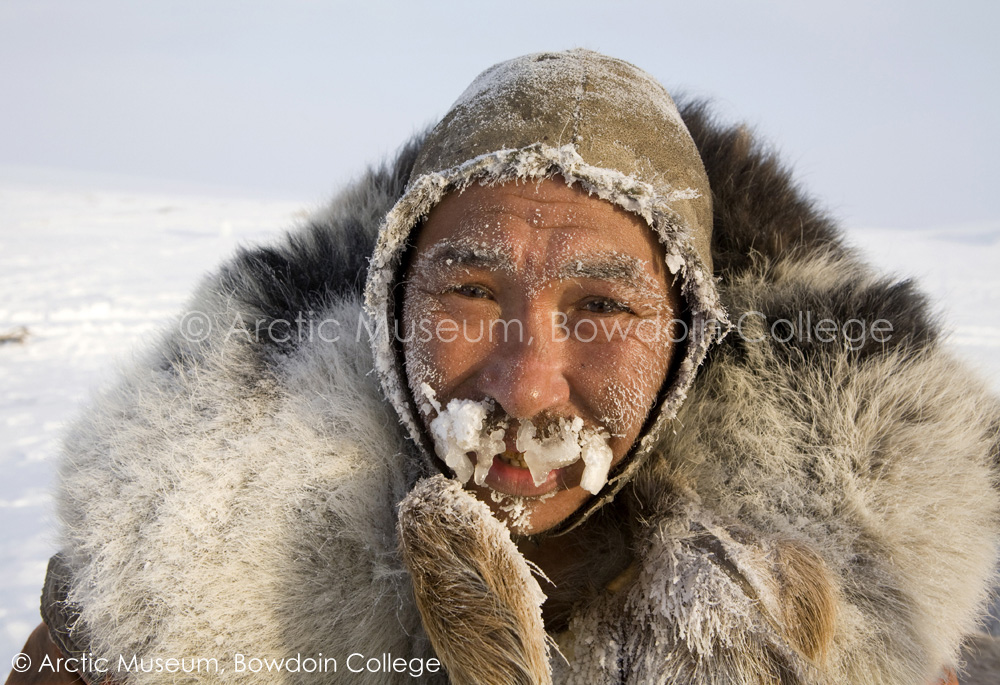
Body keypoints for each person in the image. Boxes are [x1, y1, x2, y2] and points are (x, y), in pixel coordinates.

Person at [7, 49, 999, 684]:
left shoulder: (914, 629)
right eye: (470, 294)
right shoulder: (149, 585)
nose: (524, 387)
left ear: (687, 341)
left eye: (603, 306)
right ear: (392, 314)